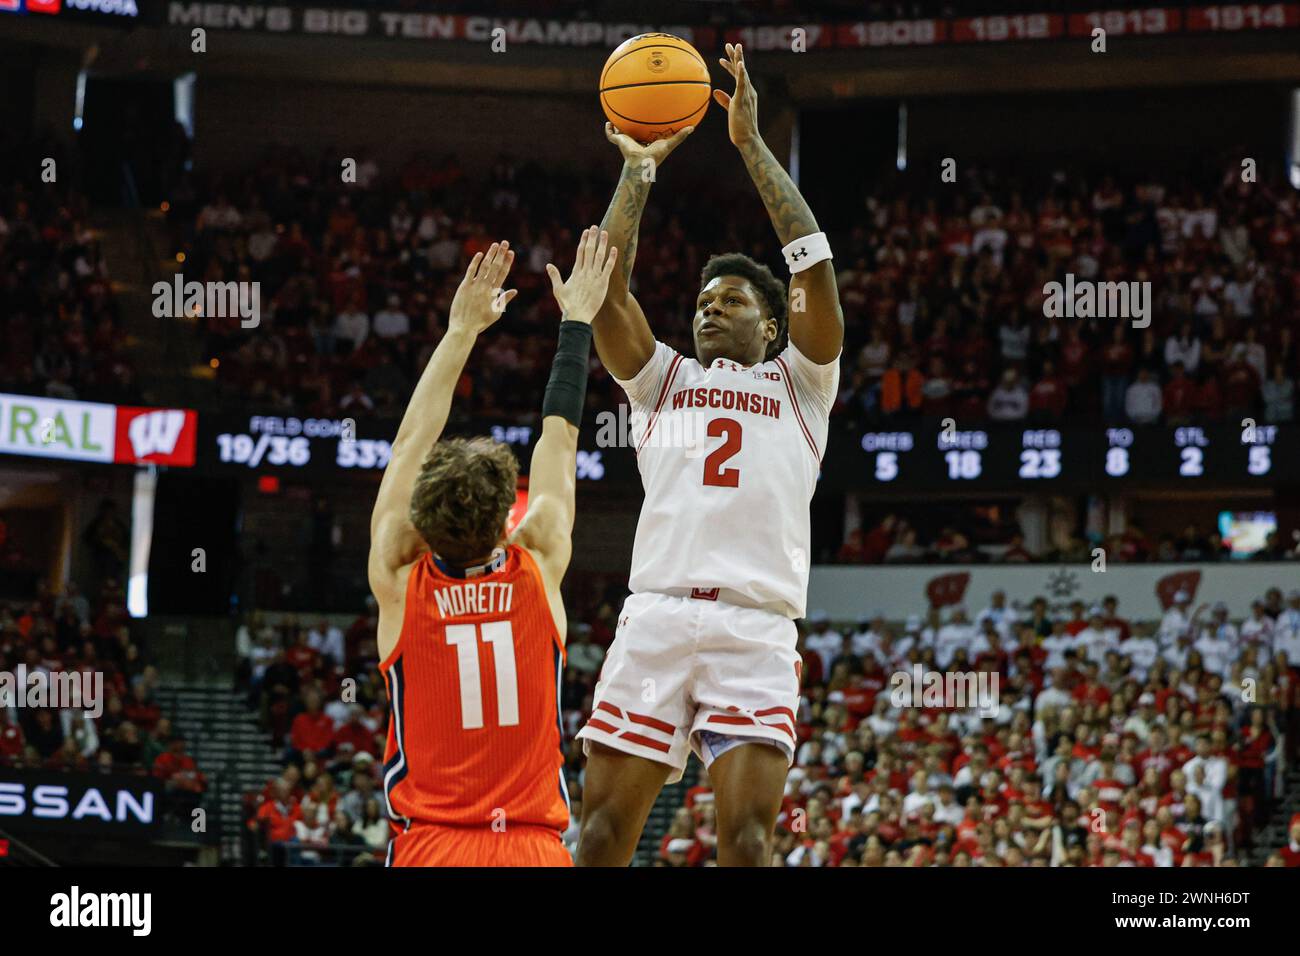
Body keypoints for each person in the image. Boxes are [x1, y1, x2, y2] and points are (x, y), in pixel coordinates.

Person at [575, 43, 843, 867]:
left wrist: (751, 146)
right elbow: (606, 289)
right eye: (699, 302)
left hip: (753, 629)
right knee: (598, 838)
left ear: (772, 323)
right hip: (655, 614)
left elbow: (814, 264)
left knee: (750, 844)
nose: (707, 311)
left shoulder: (803, 386)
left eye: (729, 301)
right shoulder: (662, 382)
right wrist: (640, 168)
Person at [366, 230, 618, 866]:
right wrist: (577, 324)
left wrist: (460, 331)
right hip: (531, 849)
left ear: (423, 523)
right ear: (512, 514)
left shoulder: (399, 574)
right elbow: (559, 438)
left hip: (433, 847)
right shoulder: (539, 560)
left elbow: (408, 447)